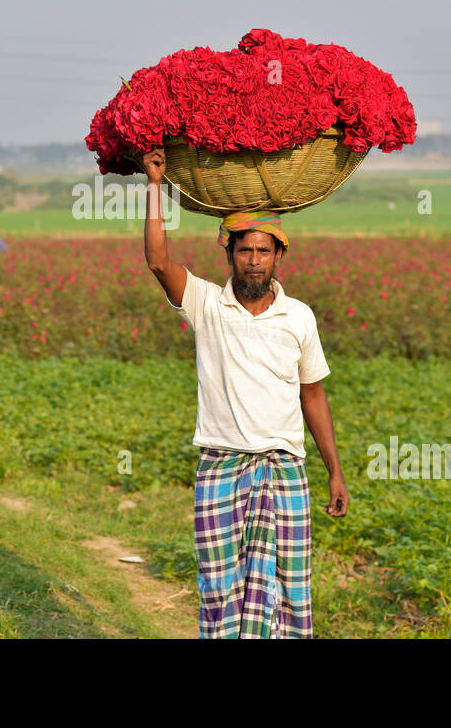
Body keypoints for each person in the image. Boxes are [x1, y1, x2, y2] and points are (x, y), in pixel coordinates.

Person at [142, 148, 347, 639]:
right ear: (229, 252)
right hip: (221, 466)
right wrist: (154, 184)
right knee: (220, 589)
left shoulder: (299, 316)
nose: (253, 261)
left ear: (279, 256)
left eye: (263, 251)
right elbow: (157, 260)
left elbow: (313, 396)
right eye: (244, 250)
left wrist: (334, 470)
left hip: (285, 469)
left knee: (291, 590)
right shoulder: (206, 304)